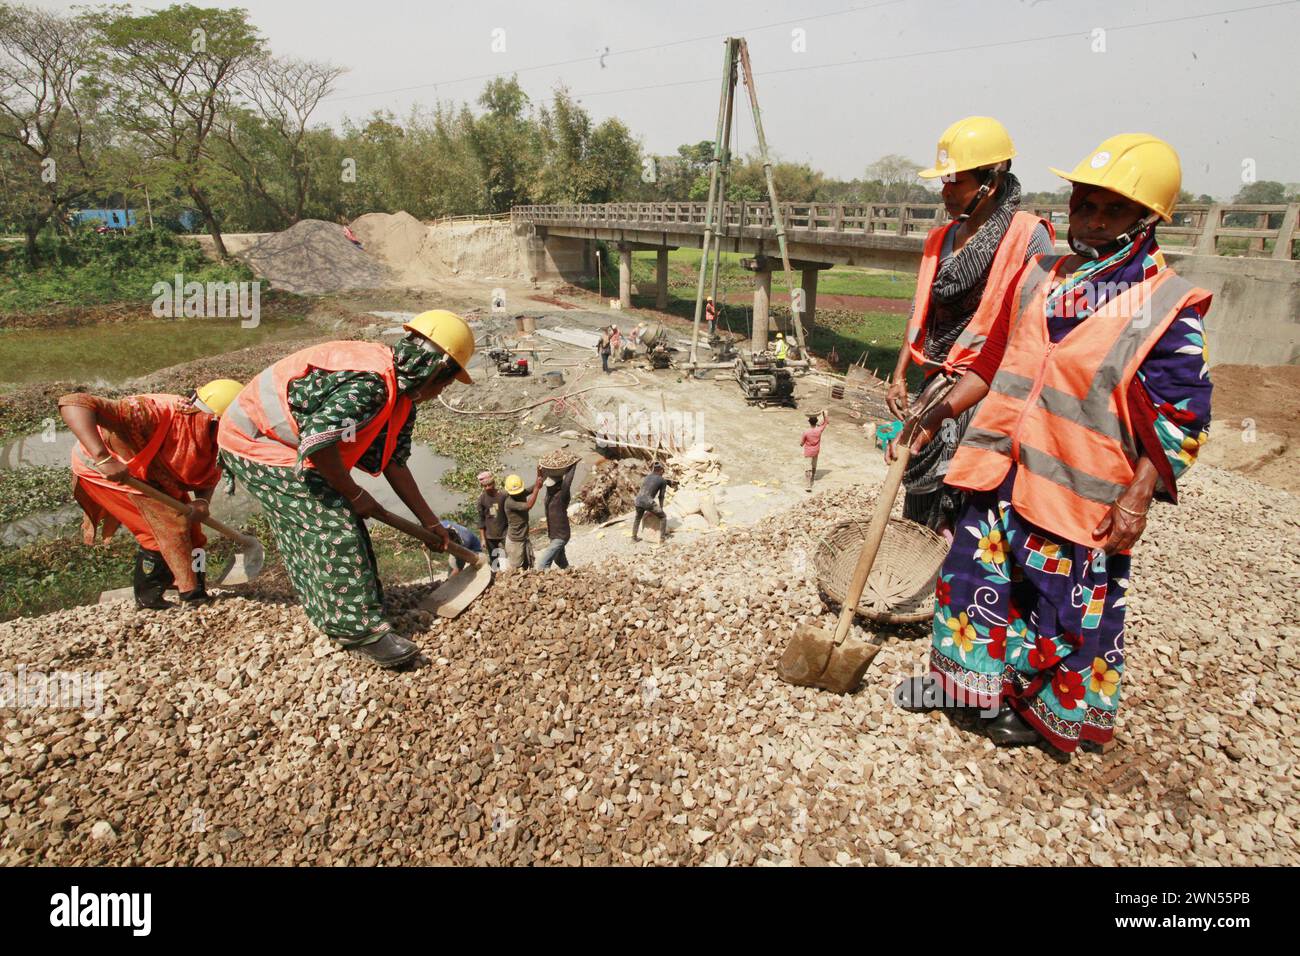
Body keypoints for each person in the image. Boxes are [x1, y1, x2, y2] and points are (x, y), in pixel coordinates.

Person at [891, 135, 1213, 754]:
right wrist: (932, 414)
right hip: (998, 473)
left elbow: (1183, 416)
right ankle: (970, 689)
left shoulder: (1167, 305)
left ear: (1147, 220)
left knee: (1056, 608)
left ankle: (1037, 708)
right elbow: (991, 361)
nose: (1090, 221)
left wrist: (1139, 495)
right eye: (1082, 203)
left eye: (1110, 211)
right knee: (978, 585)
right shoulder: (1041, 276)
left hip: (1076, 493)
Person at [217, 310, 476, 669]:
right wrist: (353, 494)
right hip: (256, 441)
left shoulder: (401, 397)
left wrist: (430, 523)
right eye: (445, 384)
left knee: (342, 522)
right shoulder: (369, 384)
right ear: (433, 369)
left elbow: (394, 463)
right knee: (331, 527)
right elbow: (319, 441)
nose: (440, 393)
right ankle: (358, 631)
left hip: (290, 445)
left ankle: (346, 605)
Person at [887, 117, 1055, 538]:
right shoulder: (940, 239)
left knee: (966, 487)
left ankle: (962, 577)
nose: (944, 191)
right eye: (943, 182)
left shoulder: (1027, 237)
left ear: (989, 184)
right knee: (918, 471)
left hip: (992, 384)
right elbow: (919, 309)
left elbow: (1030, 333)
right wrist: (898, 375)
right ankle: (916, 559)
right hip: (937, 379)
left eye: (953, 182)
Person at [60, 380, 243, 610]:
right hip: (105, 472)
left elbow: (211, 469)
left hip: (153, 476)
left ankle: (195, 590)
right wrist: (103, 458)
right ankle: (150, 599)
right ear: (213, 419)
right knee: (163, 529)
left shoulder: (213, 436)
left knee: (194, 532)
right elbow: (73, 403)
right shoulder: (148, 412)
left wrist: (202, 501)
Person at [538, 459, 579, 570]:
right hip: (553, 534)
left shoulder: (562, 495)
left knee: (543, 563)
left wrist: (573, 465)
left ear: (557, 485)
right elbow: (543, 479)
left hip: (561, 535)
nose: (548, 487)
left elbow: (567, 482)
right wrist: (541, 470)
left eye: (550, 486)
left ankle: (543, 580)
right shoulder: (549, 494)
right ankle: (569, 570)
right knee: (559, 560)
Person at [502, 473, 543, 569]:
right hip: (515, 541)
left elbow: (535, 486)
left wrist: (540, 475)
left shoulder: (519, 494)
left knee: (526, 564)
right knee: (515, 568)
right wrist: (536, 489)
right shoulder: (510, 502)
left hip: (522, 537)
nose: (517, 493)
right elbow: (528, 505)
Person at [476, 471, 508, 570]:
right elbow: (481, 520)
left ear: (494, 483)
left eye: (489, 485)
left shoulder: (503, 495)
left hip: (505, 532)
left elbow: (510, 513)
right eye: (485, 486)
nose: (487, 488)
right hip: (490, 535)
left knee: (510, 555)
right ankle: (495, 574)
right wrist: (482, 539)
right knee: (494, 558)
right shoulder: (482, 499)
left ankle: (511, 573)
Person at [631, 461, 668, 543]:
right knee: (663, 517)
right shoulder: (662, 481)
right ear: (661, 470)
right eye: (663, 471)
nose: (663, 473)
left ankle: (633, 538)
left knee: (637, 518)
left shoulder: (647, 477)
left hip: (638, 500)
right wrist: (661, 508)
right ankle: (662, 539)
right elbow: (661, 496)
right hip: (648, 501)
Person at [801, 409, 829, 492]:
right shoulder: (819, 430)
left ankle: (808, 485)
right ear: (816, 421)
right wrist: (825, 415)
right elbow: (825, 423)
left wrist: (803, 443)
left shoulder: (806, 432)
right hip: (816, 451)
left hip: (808, 452)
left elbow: (801, 443)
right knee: (814, 465)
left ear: (809, 422)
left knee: (807, 468)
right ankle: (812, 478)